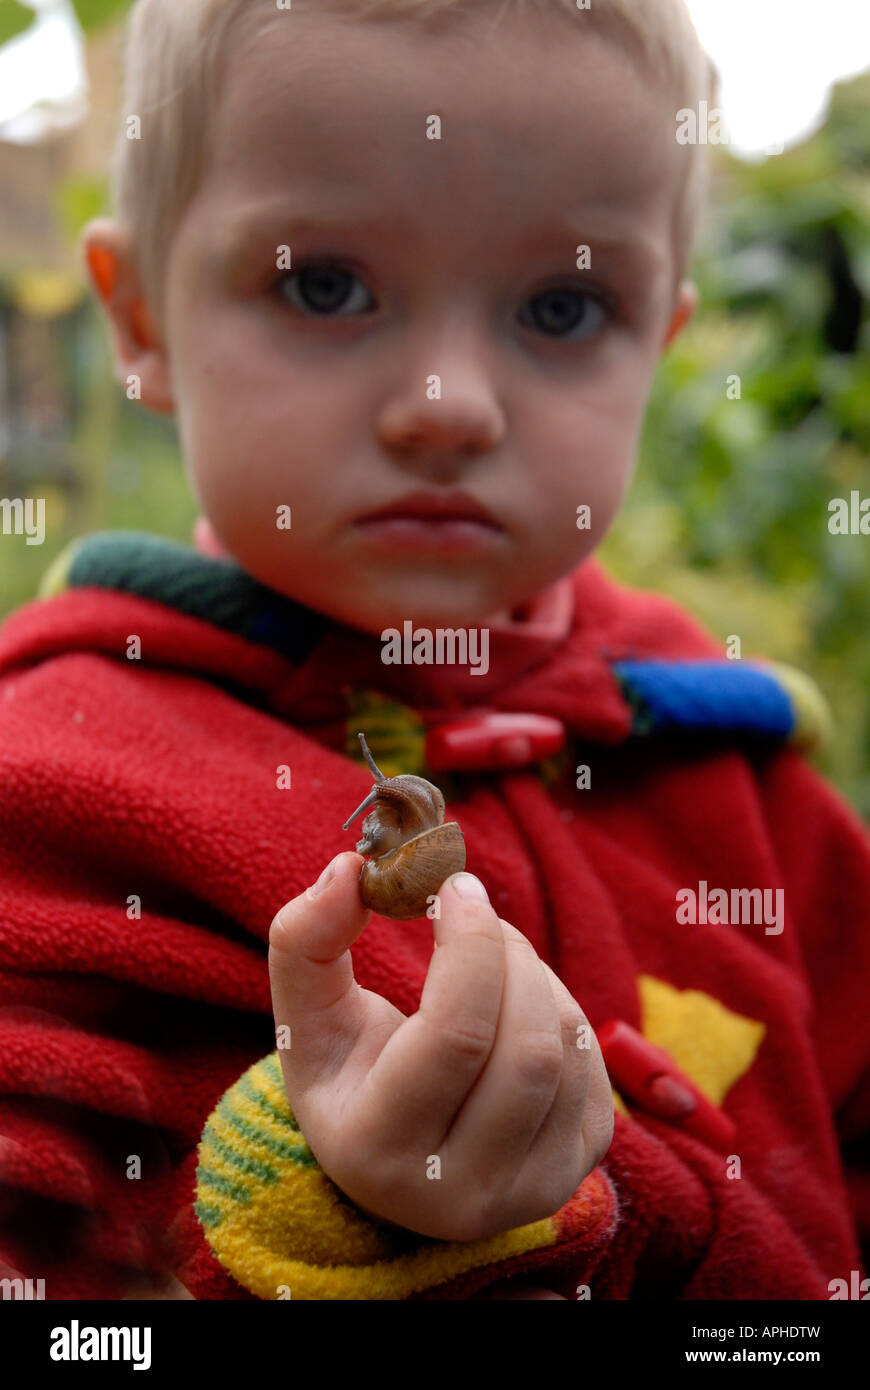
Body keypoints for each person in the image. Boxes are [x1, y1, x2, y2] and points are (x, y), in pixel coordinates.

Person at [0, 0, 867, 1301]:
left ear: (659, 346)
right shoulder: (58, 788)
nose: (447, 406)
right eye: (323, 285)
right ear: (141, 325)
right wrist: (313, 1224)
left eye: (564, 307)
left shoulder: (742, 787)